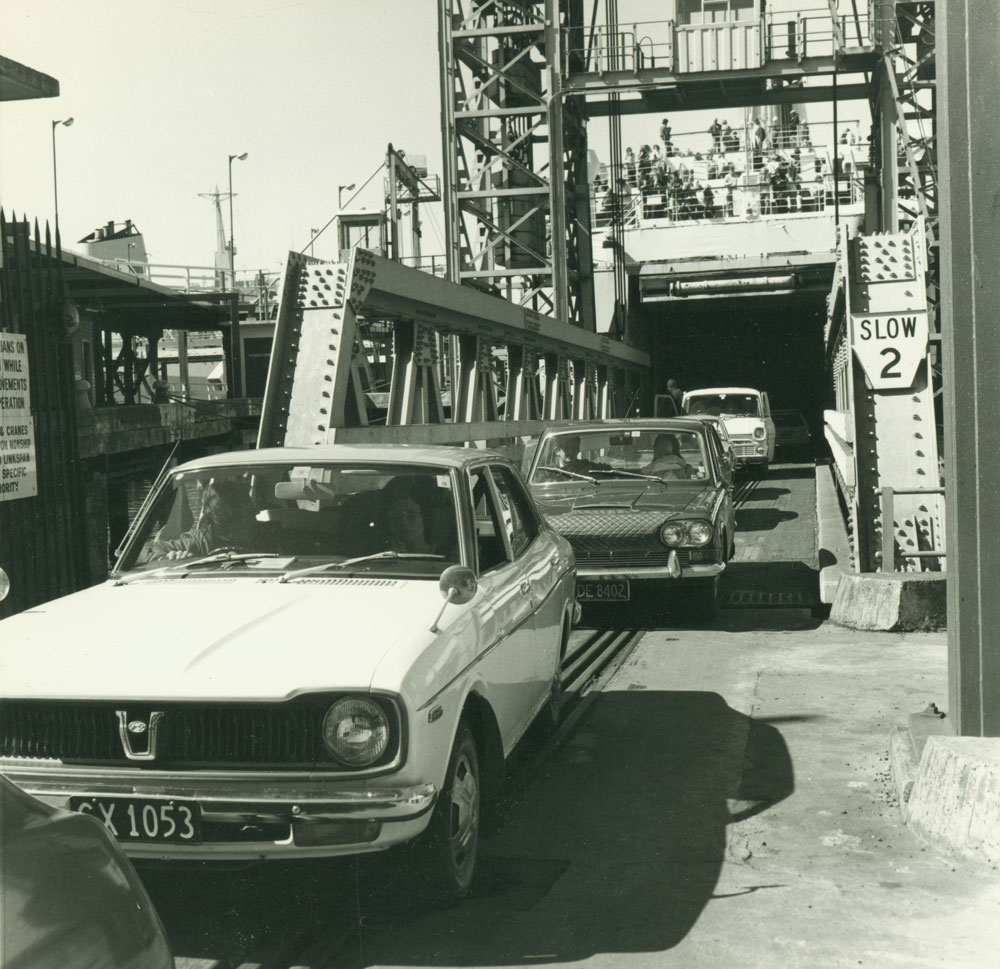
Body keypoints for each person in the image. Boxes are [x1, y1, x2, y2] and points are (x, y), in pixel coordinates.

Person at [150, 479, 249, 561]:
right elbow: (156, 548)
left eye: (239, 515)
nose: (232, 524)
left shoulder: (258, 533)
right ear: (212, 517)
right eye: (224, 517)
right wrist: (172, 556)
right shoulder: (201, 539)